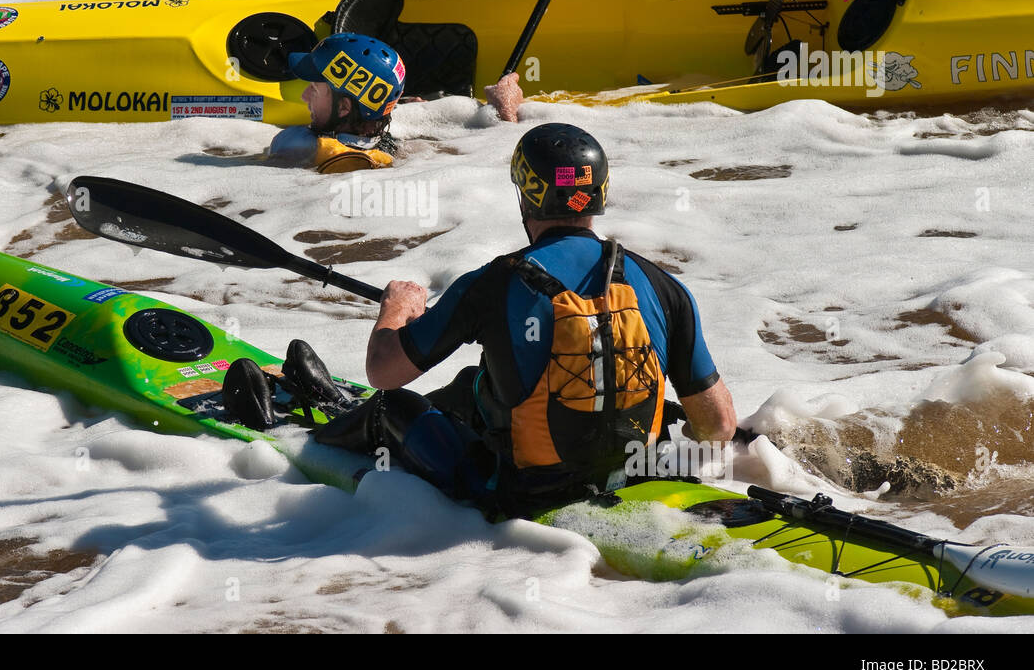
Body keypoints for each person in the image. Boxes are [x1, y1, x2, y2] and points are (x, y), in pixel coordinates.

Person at [303, 121, 736, 517]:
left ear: (527, 195)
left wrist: (397, 309)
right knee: (472, 384)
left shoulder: (494, 283)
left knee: (389, 408)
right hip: (637, 479)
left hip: (525, 499)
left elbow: (384, 372)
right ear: (600, 193)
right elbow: (717, 428)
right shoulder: (663, 284)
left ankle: (307, 439)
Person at [268, 33, 406, 173]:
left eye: (314, 90)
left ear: (343, 107)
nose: (305, 96)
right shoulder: (390, 148)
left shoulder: (297, 146)